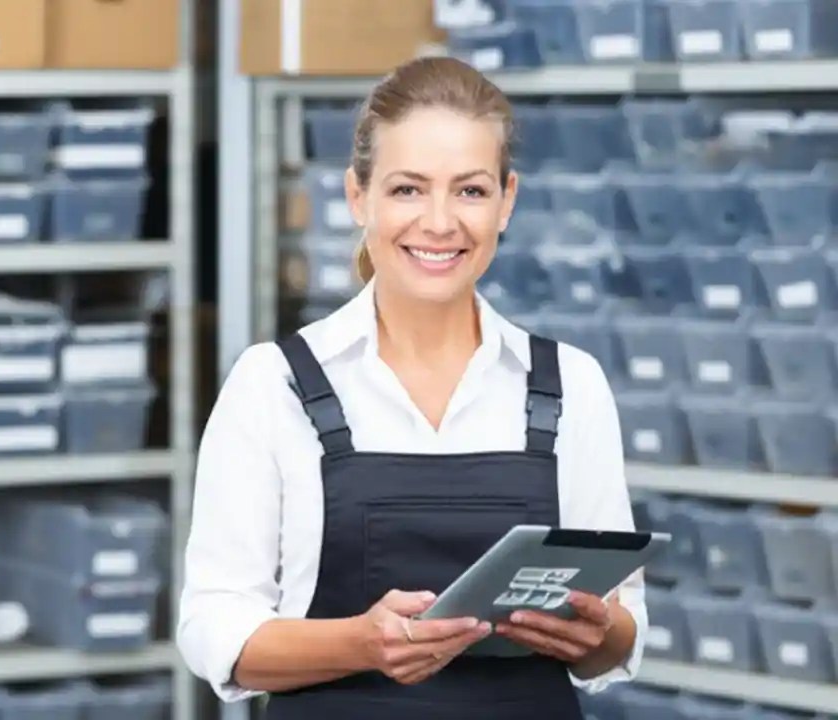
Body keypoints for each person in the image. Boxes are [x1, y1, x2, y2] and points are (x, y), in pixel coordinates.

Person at [177, 57, 647, 720]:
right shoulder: (273, 384)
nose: (439, 221)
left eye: (470, 191)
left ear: (507, 201)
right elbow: (212, 628)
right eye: (407, 189)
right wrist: (360, 645)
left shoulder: (571, 385)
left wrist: (598, 634)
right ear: (357, 196)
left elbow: (623, 631)